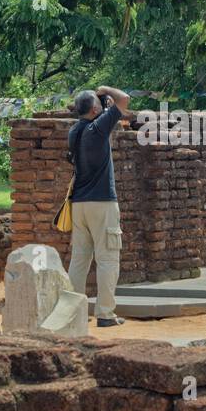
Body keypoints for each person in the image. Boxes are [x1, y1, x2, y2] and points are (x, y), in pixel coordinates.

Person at [66, 85, 130, 327]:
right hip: (102, 202)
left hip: (79, 204)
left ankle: (73, 311)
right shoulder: (98, 128)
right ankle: (105, 314)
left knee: (79, 258)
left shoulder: (73, 131)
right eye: (99, 104)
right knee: (108, 259)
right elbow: (124, 99)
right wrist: (105, 90)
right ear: (95, 109)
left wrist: (104, 105)